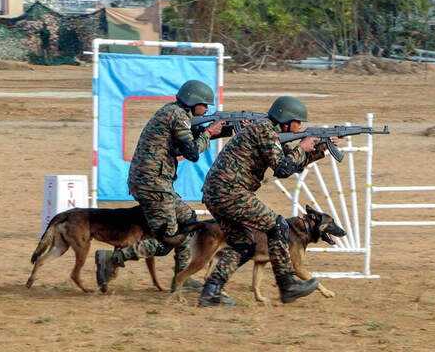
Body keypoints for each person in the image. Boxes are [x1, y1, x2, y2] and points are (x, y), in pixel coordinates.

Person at [198, 96, 335, 306]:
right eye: (298, 121)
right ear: (286, 120)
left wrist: (319, 149)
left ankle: (211, 292)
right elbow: (283, 169)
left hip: (217, 193)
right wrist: (303, 146)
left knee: (244, 243)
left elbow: (290, 163)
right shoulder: (265, 131)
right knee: (278, 225)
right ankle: (287, 284)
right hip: (230, 192)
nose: (300, 127)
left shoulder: (267, 132)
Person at [95, 80, 229, 292]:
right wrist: (209, 133)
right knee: (169, 239)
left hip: (155, 183)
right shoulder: (177, 116)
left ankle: (181, 277)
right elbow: (193, 152)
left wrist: (224, 130)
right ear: (193, 102)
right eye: (204, 105)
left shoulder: (173, 113)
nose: (206, 109)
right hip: (153, 185)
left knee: (190, 223)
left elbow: (188, 140)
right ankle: (112, 259)